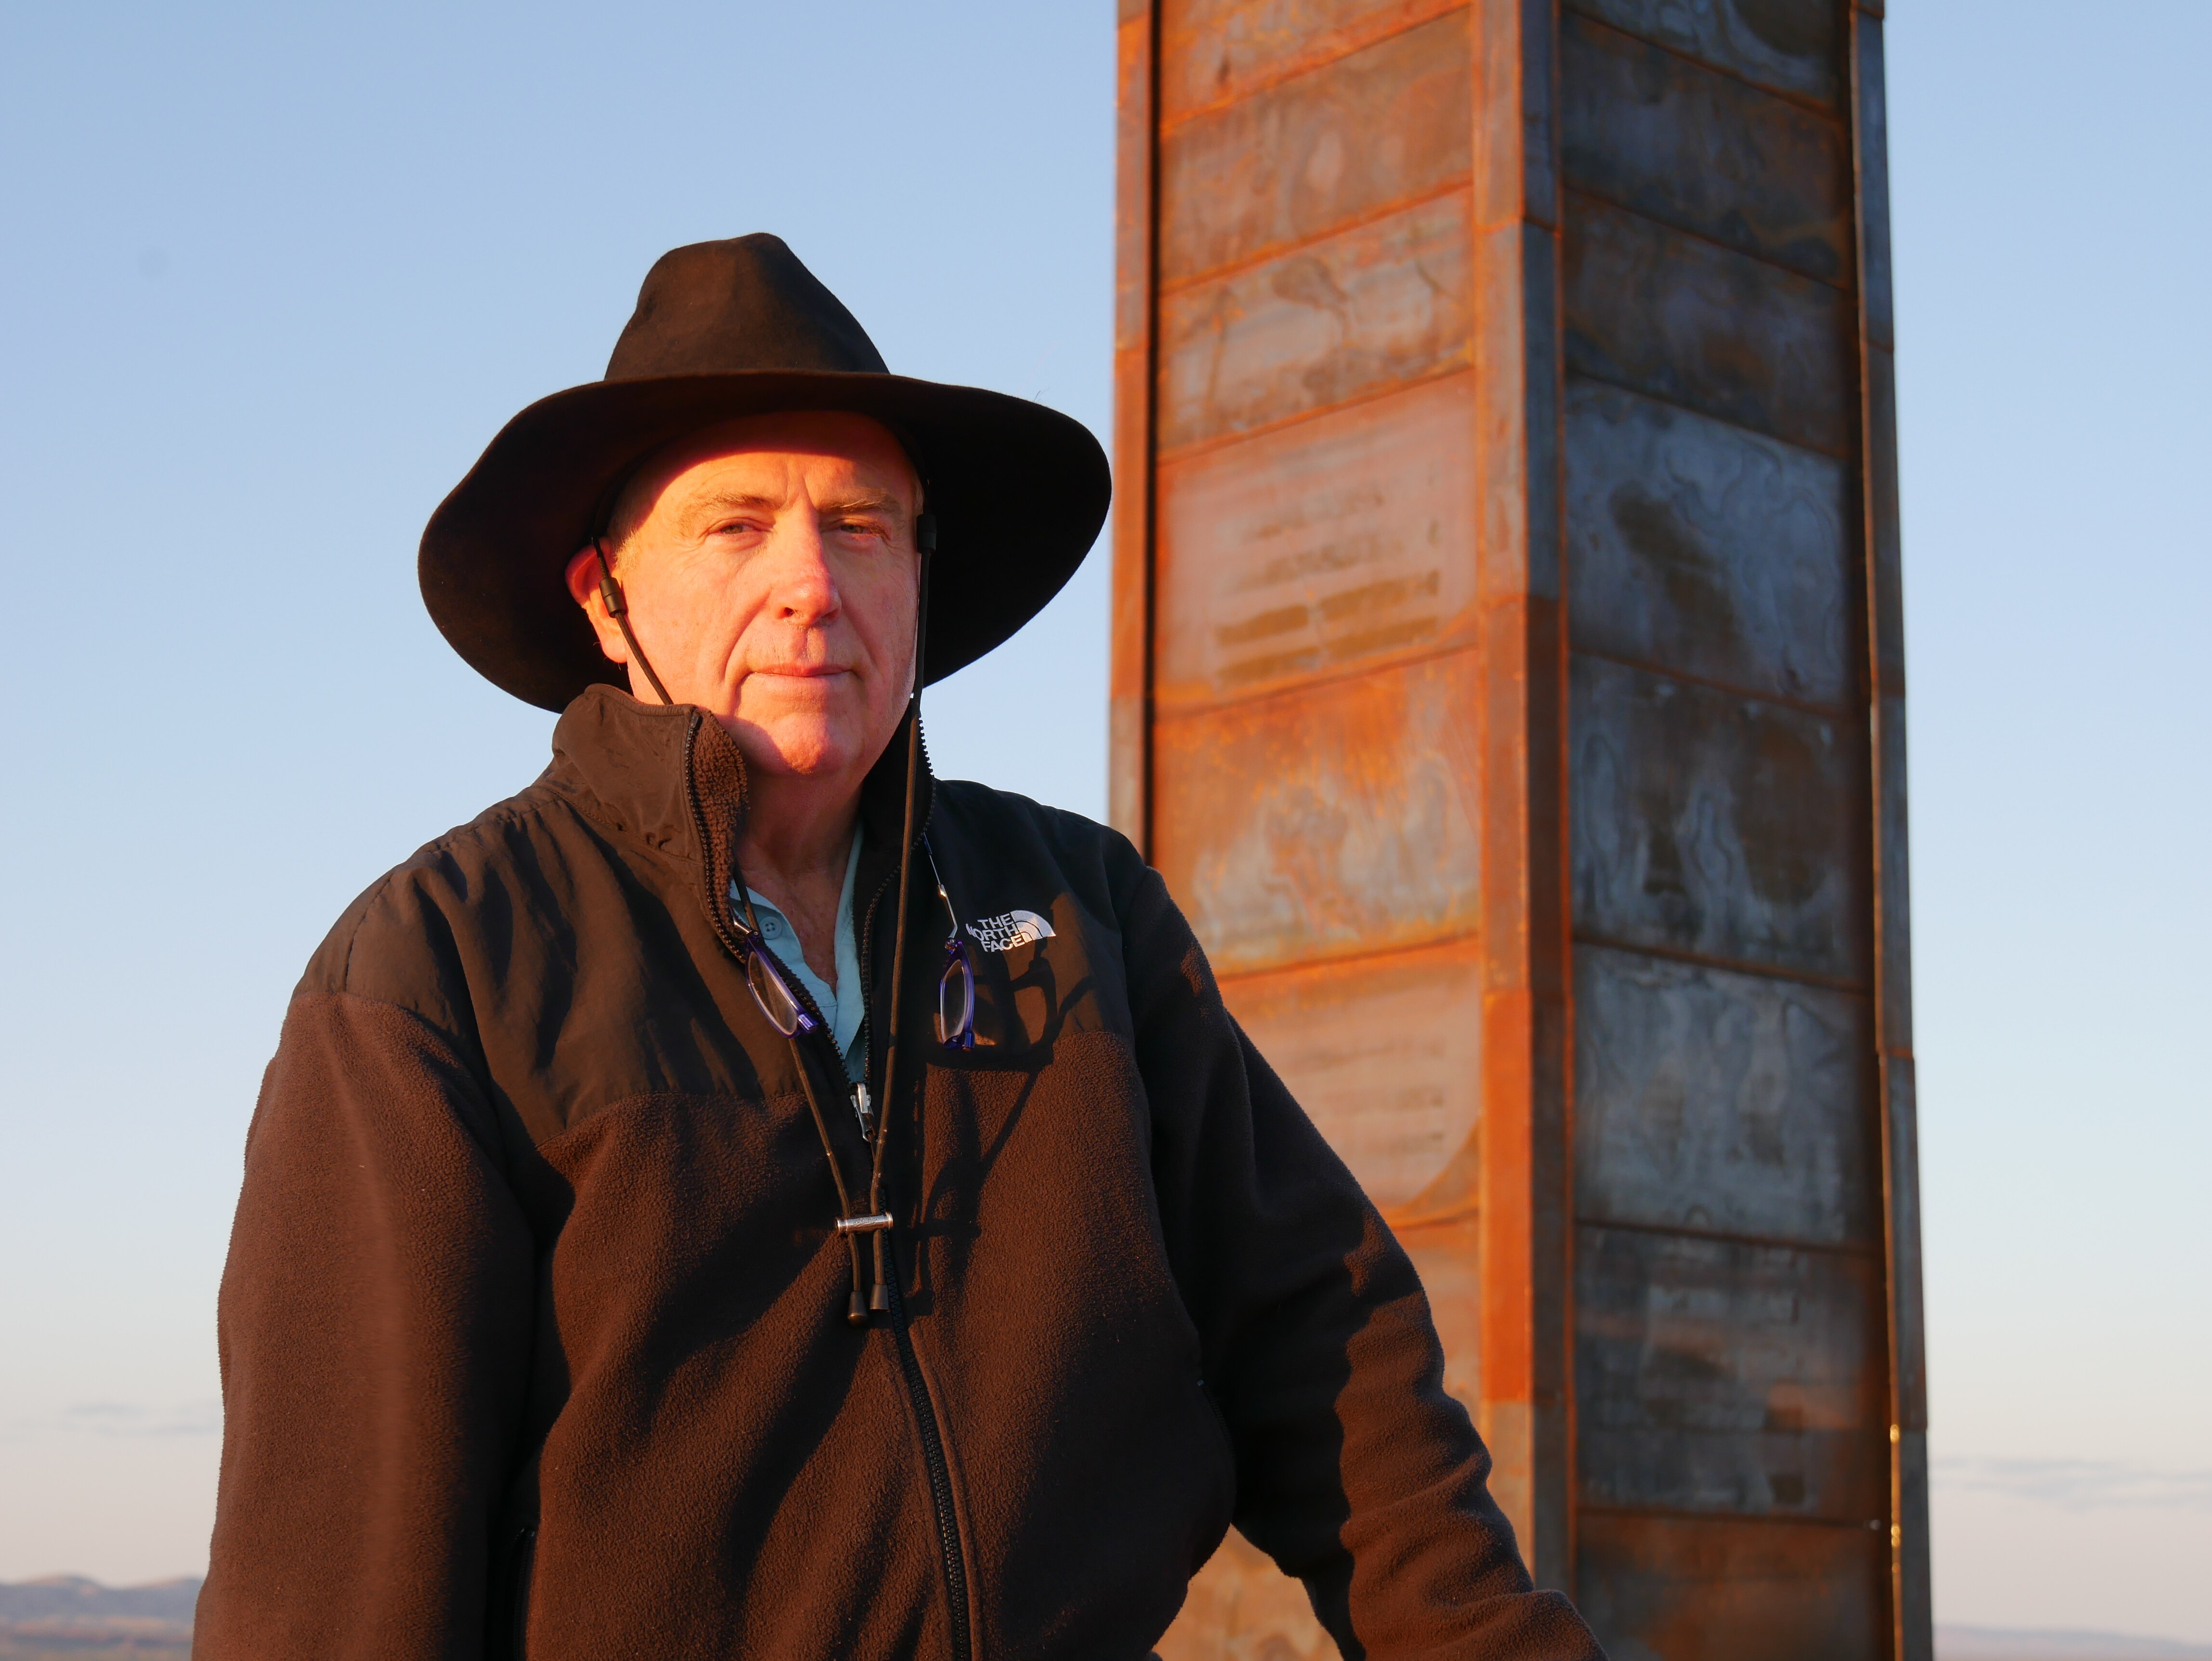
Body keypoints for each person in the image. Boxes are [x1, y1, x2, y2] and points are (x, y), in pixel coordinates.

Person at [196, 235, 1606, 1661]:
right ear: (603, 598)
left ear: (919, 578)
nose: (813, 583)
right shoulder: (438, 974)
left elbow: (1324, 1342)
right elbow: (332, 1588)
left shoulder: (1081, 914)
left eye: (862, 526)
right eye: (737, 526)